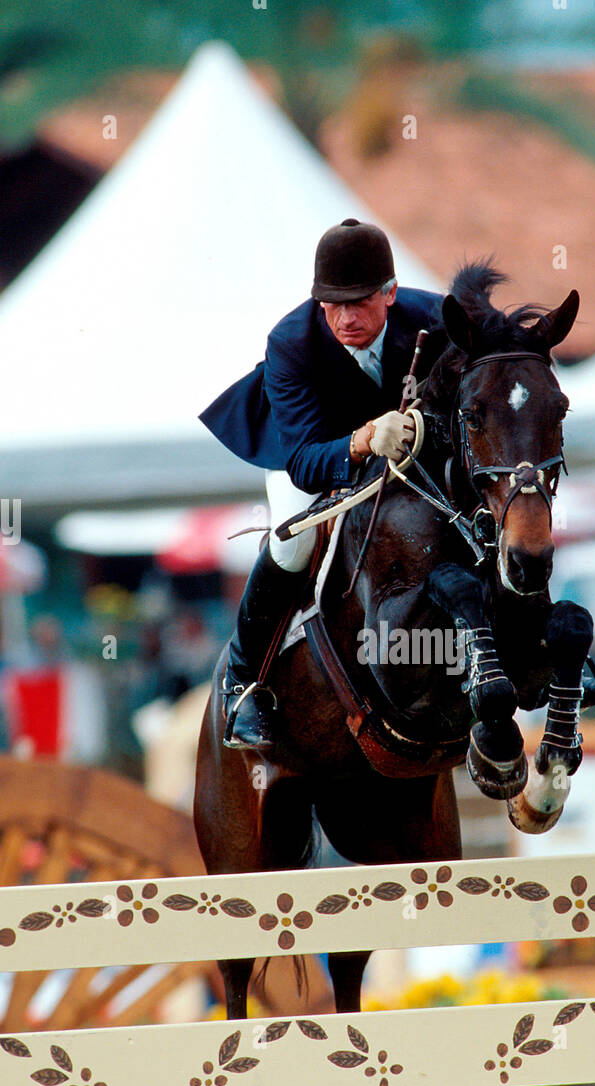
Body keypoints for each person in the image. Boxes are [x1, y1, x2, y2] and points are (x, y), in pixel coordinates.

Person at [200, 218, 441, 748]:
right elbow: (306, 460)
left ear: (391, 293)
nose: (346, 317)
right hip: (310, 448)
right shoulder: (291, 342)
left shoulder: (436, 318)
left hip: (406, 446)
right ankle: (243, 682)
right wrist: (361, 441)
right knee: (294, 540)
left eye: (359, 302)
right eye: (333, 303)